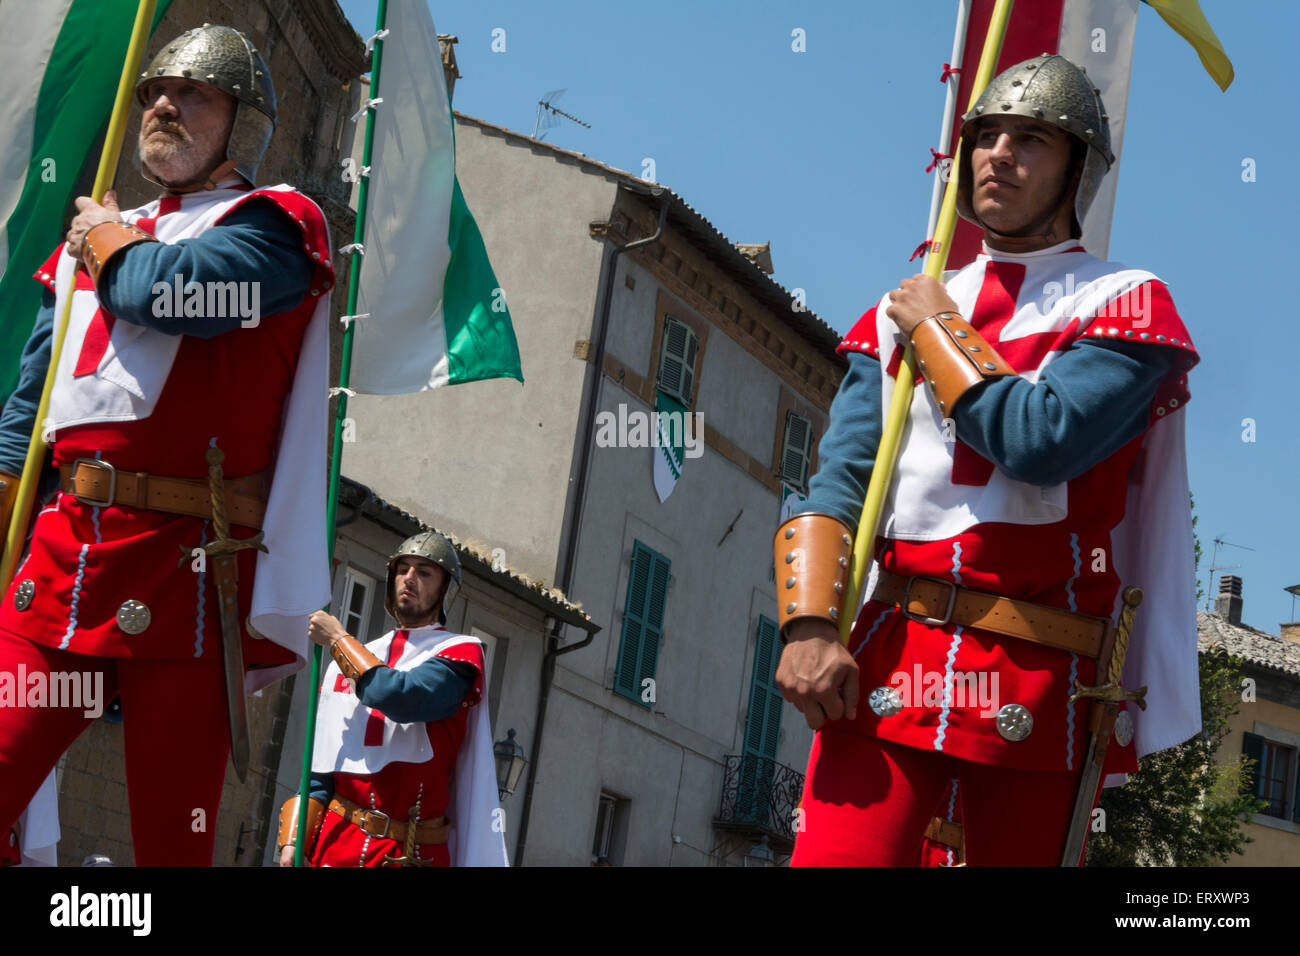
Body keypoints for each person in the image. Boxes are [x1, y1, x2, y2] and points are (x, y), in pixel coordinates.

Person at [773, 54, 1200, 866]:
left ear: (1078, 169)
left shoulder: (1128, 303)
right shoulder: (892, 314)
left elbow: (1041, 443)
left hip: (1042, 679)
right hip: (891, 653)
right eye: (986, 136)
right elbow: (842, 479)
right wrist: (810, 624)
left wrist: (937, 329)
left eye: (1031, 138)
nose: (999, 154)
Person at [0, 24, 331, 865]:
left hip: (195, 573)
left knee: (169, 842)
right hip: (63, 551)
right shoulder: (86, 248)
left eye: (194, 93)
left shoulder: (276, 225)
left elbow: (174, 296)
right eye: (155, 90)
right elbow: (27, 412)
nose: (162, 104)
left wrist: (107, 241)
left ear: (243, 123)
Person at [277, 531, 507, 867]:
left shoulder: (460, 655)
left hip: (410, 853)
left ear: (445, 590)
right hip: (335, 845)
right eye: (402, 569)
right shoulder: (355, 659)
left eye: (424, 572)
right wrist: (293, 839)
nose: (409, 578)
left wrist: (339, 640)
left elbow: (401, 698)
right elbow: (321, 768)